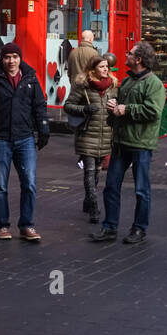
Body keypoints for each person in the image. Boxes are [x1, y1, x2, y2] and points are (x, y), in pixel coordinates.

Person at [91, 42, 165, 244]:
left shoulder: (154, 84)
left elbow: (153, 111)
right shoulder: (127, 81)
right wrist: (114, 108)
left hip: (141, 143)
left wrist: (126, 109)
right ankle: (110, 227)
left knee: (141, 189)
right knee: (111, 186)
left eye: (130, 53)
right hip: (121, 141)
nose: (126, 55)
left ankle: (139, 228)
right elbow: (123, 109)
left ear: (139, 59)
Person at [0, 42, 49, 242]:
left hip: (24, 138)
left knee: (29, 183)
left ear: (20, 58)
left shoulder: (30, 77)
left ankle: (27, 225)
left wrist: (43, 128)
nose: (11, 61)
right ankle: (3, 225)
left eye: (15, 57)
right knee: (0, 185)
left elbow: (39, 104)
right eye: (7, 57)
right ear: (2, 59)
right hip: (0, 139)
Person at [63, 55, 118, 224]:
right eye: (102, 67)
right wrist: (85, 109)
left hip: (106, 134)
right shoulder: (83, 86)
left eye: (106, 66)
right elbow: (68, 105)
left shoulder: (113, 87)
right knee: (89, 171)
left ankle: (88, 201)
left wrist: (116, 107)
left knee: (97, 172)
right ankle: (94, 206)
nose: (105, 69)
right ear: (93, 69)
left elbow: (118, 106)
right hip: (87, 134)